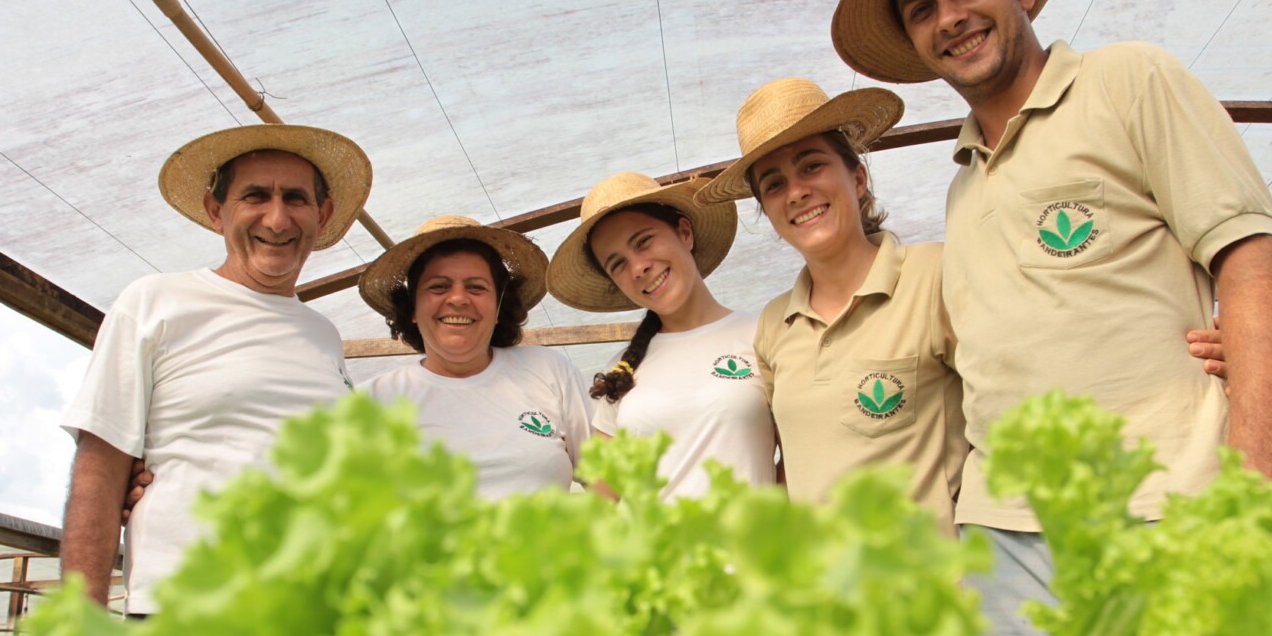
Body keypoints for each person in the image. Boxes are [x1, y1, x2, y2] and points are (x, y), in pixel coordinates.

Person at [830, 0, 1272, 636]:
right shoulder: (962, 186)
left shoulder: (1128, 82)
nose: (948, 17)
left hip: (1166, 499)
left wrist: (1260, 483)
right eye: (922, 8)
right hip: (1008, 539)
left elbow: (1251, 258)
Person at [59, 124, 369, 636]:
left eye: (296, 199)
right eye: (256, 196)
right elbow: (99, 473)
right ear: (216, 209)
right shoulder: (155, 302)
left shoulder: (322, 336)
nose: (277, 219)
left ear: (323, 215)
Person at [698, 78, 967, 527]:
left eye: (812, 166)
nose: (797, 192)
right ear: (769, 213)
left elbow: (1003, 414)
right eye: (774, 184)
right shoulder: (774, 324)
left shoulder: (936, 275)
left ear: (858, 178)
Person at [545, 171, 775, 501]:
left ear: (684, 233)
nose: (638, 267)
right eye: (618, 264)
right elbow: (604, 495)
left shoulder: (764, 335)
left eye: (644, 242)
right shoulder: (620, 371)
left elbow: (799, 460)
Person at [358, 216, 589, 499]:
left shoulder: (549, 370)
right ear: (412, 310)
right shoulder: (373, 402)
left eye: (476, 287)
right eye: (438, 286)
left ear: (498, 306)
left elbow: (607, 477)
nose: (458, 299)